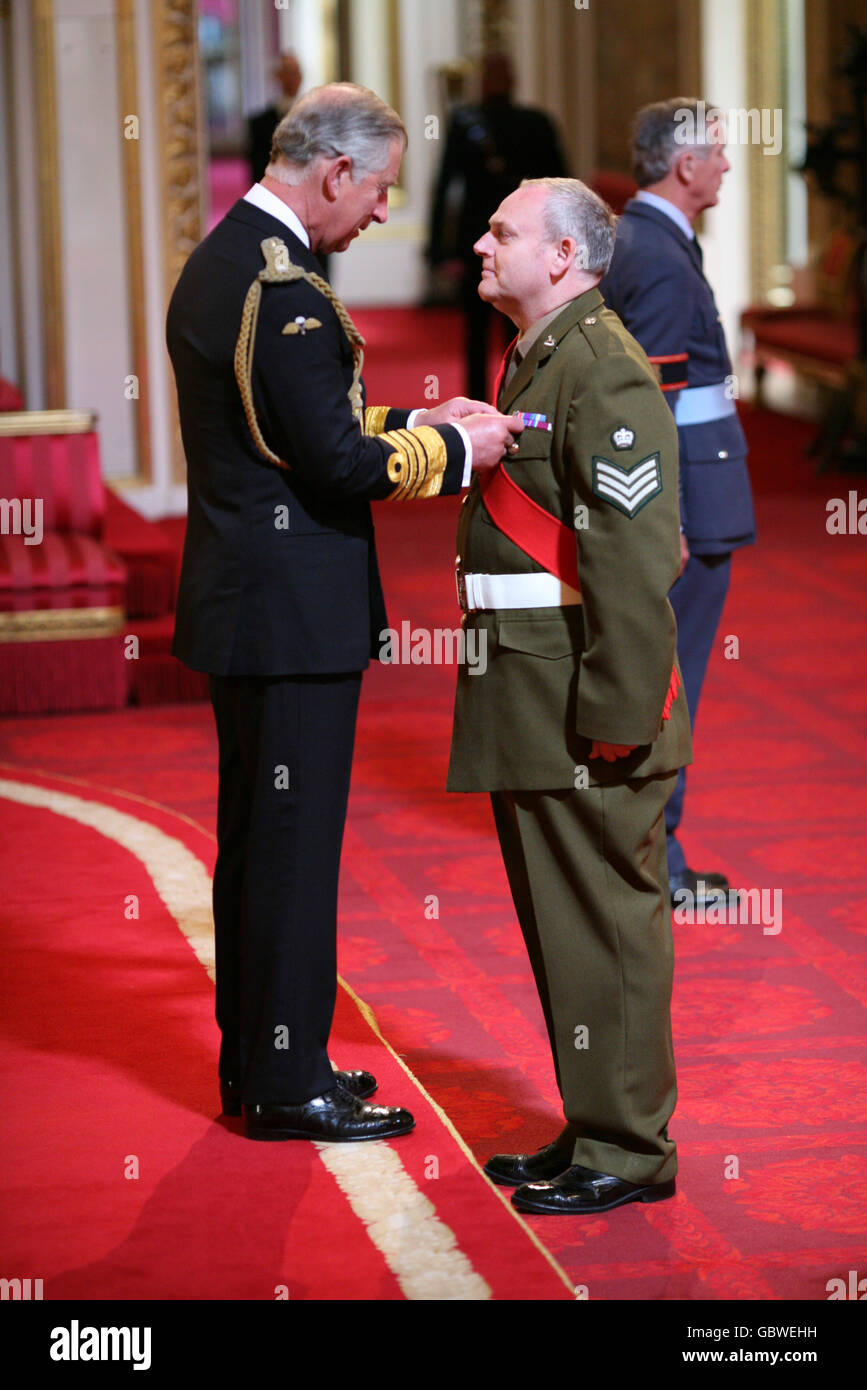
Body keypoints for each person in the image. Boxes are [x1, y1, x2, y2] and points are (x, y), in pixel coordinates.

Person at [167, 82, 523, 1144]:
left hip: (249, 602)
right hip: (288, 615)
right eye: (377, 192)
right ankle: (286, 1083)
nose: (378, 214)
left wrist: (418, 416)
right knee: (290, 846)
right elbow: (331, 459)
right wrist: (462, 449)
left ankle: (265, 1057)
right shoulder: (286, 290)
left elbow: (295, 421)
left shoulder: (228, 257)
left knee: (260, 841)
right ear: (334, 173)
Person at [447, 178, 692, 1214]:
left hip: (586, 708)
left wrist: (620, 722)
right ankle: (594, 1123)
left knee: (608, 928)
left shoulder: (603, 370)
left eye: (501, 231)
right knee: (565, 927)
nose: (479, 242)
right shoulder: (543, 352)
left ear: (561, 258)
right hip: (532, 695)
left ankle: (631, 1149)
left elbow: (635, 570)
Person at [599, 99, 756, 910]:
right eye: (717, 153)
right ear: (681, 165)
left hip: (695, 495)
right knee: (672, 686)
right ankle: (657, 862)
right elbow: (648, 404)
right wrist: (667, 522)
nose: (727, 164)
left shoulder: (650, 240)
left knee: (671, 681)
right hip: (689, 503)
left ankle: (658, 854)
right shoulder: (655, 253)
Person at [428, 53, 568, 400]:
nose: (497, 80)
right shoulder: (465, 123)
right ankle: (476, 405)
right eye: (492, 73)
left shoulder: (537, 123)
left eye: (503, 73)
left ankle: (521, 398)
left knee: (522, 325)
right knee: (475, 331)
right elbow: (446, 188)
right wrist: (439, 250)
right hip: (477, 241)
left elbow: (562, 185)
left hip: (530, 241)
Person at [247, 51, 303, 184]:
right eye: (286, 73)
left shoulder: (314, 117)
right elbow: (257, 169)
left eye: (294, 73)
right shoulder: (260, 123)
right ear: (278, 77)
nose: (291, 79)